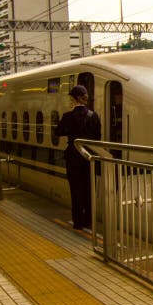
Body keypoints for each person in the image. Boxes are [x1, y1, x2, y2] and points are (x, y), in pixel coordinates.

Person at [55, 85, 101, 230]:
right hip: (88, 158)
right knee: (88, 190)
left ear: (74, 99)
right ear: (85, 98)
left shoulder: (67, 117)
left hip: (73, 157)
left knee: (75, 190)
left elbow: (58, 132)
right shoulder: (94, 116)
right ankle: (89, 221)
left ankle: (78, 222)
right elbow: (97, 137)